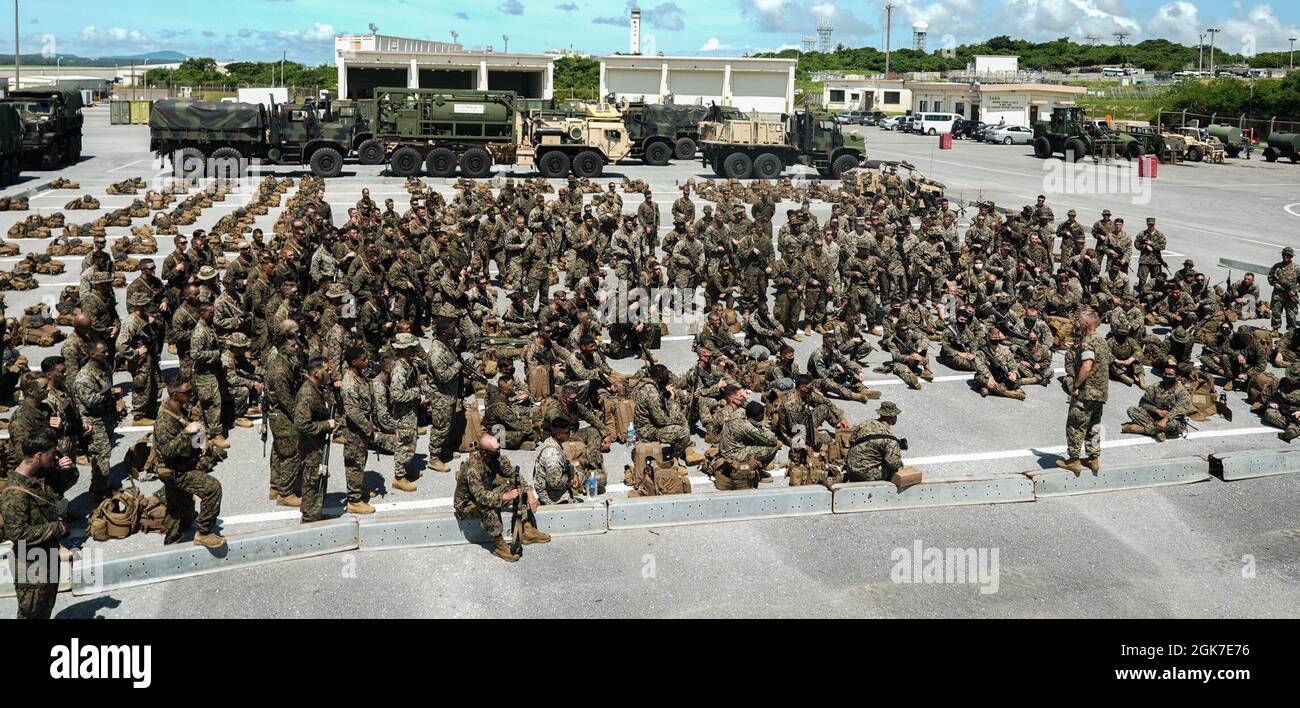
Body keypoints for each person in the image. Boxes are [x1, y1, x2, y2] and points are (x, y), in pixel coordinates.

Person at [1, 431, 76, 619]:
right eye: (53, 453)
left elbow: (62, 486)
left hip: (48, 554)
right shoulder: (15, 493)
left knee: (46, 607)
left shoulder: (41, 476)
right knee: (31, 612)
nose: (55, 456)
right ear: (38, 456)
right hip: (30, 564)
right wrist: (57, 528)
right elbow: (17, 533)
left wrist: (68, 469)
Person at [453, 433, 549, 562]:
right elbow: (480, 496)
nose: (498, 452)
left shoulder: (495, 459)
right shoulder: (473, 469)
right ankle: (499, 544)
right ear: (484, 452)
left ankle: (526, 530)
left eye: (499, 449)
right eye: (495, 451)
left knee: (520, 490)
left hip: (487, 492)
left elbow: (513, 476)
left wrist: (529, 492)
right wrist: (506, 496)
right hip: (466, 504)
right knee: (488, 506)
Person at [154, 380, 225, 548]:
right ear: (176, 395)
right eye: (187, 392)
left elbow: (194, 425)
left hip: (182, 463)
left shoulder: (178, 407)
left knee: (178, 510)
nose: (191, 394)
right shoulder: (165, 419)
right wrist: (187, 433)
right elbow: (168, 451)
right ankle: (204, 533)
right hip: (175, 470)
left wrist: (201, 441)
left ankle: (171, 545)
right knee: (212, 489)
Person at [1058, 309, 1110, 472]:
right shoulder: (1101, 340)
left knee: (1075, 425)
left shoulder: (1088, 342)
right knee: (1094, 425)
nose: (1078, 323)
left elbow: (1087, 366)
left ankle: (1073, 460)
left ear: (1087, 323)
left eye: (1080, 321)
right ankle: (1093, 458)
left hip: (1086, 393)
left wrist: (1076, 386)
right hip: (1100, 394)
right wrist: (1077, 348)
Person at [293, 357, 338, 523]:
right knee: (313, 481)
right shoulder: (307, 394)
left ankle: (313, 512)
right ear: (316, 372)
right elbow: (302, 425)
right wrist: (326, 425)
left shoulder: (317, 388)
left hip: (316, 444)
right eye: (327, 370)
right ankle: (310, 518)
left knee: (317, 479)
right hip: (311, 446)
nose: (330, 372)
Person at [1122, 359, 1190, 442]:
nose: (1167, 376)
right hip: (1154, 416)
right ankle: (1157, 431)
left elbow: (1181, 410)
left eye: (1170, 375)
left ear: (1177, 377)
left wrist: (1165, 419)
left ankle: (1137, 429)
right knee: (1132, 410)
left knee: (1171, 425)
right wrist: (1157, 410)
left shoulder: (1182, 392)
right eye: (1165, 374)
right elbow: (1143, 403)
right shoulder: (1155, 386)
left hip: (1172, 420)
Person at [844, 401, 904, 482]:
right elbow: (893, 462)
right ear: (892, 417)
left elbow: (851, 440)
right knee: (894, 469)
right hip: (863, 474)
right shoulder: (890, 439)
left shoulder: (865, 423)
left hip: (849, 468)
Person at [532, 417, 586, 505]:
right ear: (559, 436)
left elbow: (565, 463)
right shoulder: (553, 457)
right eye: (567, 432)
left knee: (579, 474)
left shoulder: (552, 441)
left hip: (552, 484)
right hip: (550, 497)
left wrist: (574, 473)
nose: (570, 434)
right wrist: (572, 479)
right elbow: (555, 483)